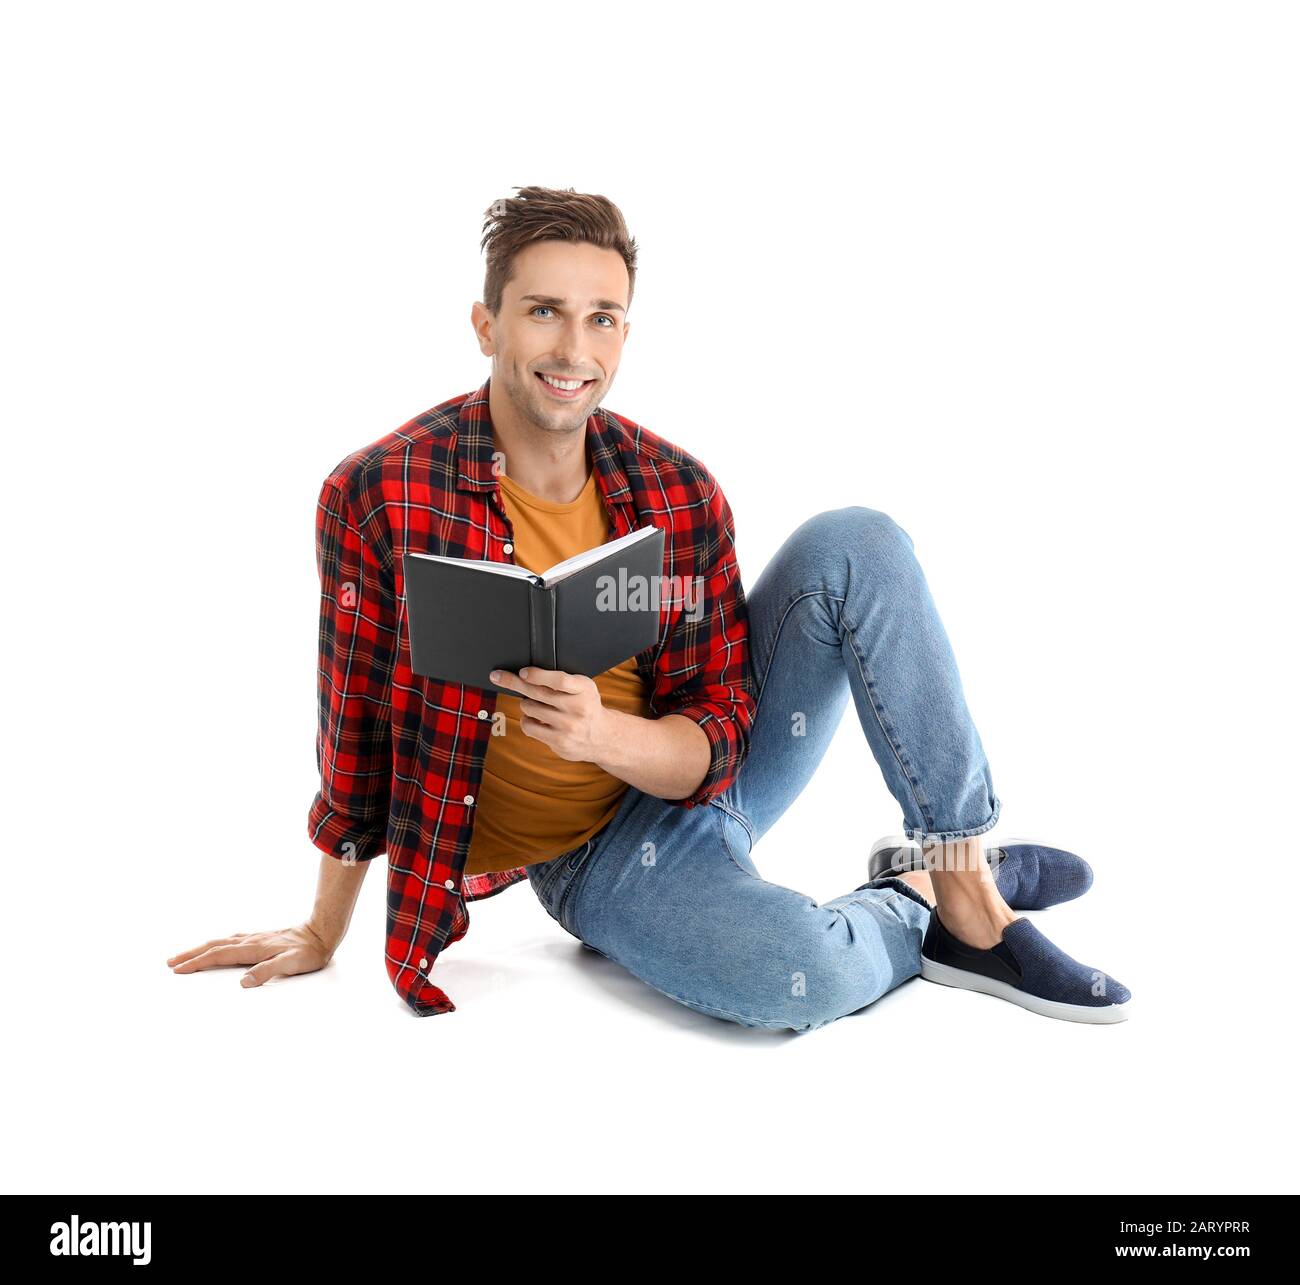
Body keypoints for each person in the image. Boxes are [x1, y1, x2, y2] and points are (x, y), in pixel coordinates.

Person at [168, 185, 1131, 1028]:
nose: (572, 348)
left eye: (602, 318)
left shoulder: (677, 491)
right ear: (485, 323)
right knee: (797, 978)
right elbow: (355, 733)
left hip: (690, 777)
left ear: (625, 331)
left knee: (859, 541)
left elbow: (715, 735)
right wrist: (323, 925)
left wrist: (602, 737)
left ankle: (965, 883)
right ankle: (910, 899)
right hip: (597, 857)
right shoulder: (383, 492)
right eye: (544, 311)